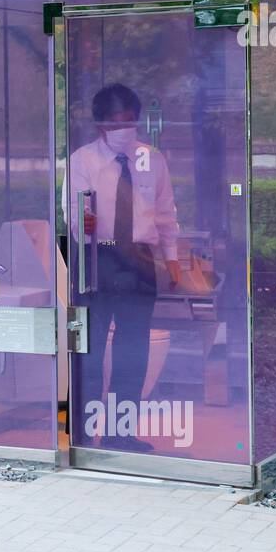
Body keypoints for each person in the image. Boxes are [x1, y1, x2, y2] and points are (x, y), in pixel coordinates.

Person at [70, 83, 180, 453]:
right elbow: (74, 216)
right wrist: (82, 223)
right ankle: (83, 433)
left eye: (129, 121)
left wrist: (173, 259)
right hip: (98, 257)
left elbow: (166, 214)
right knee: (90, 349)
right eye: (116, 122)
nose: (124, 128)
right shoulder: (82, 161)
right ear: (100, 124)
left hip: (141, 260)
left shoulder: (153, 159)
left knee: (133, 350)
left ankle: (120, 434)